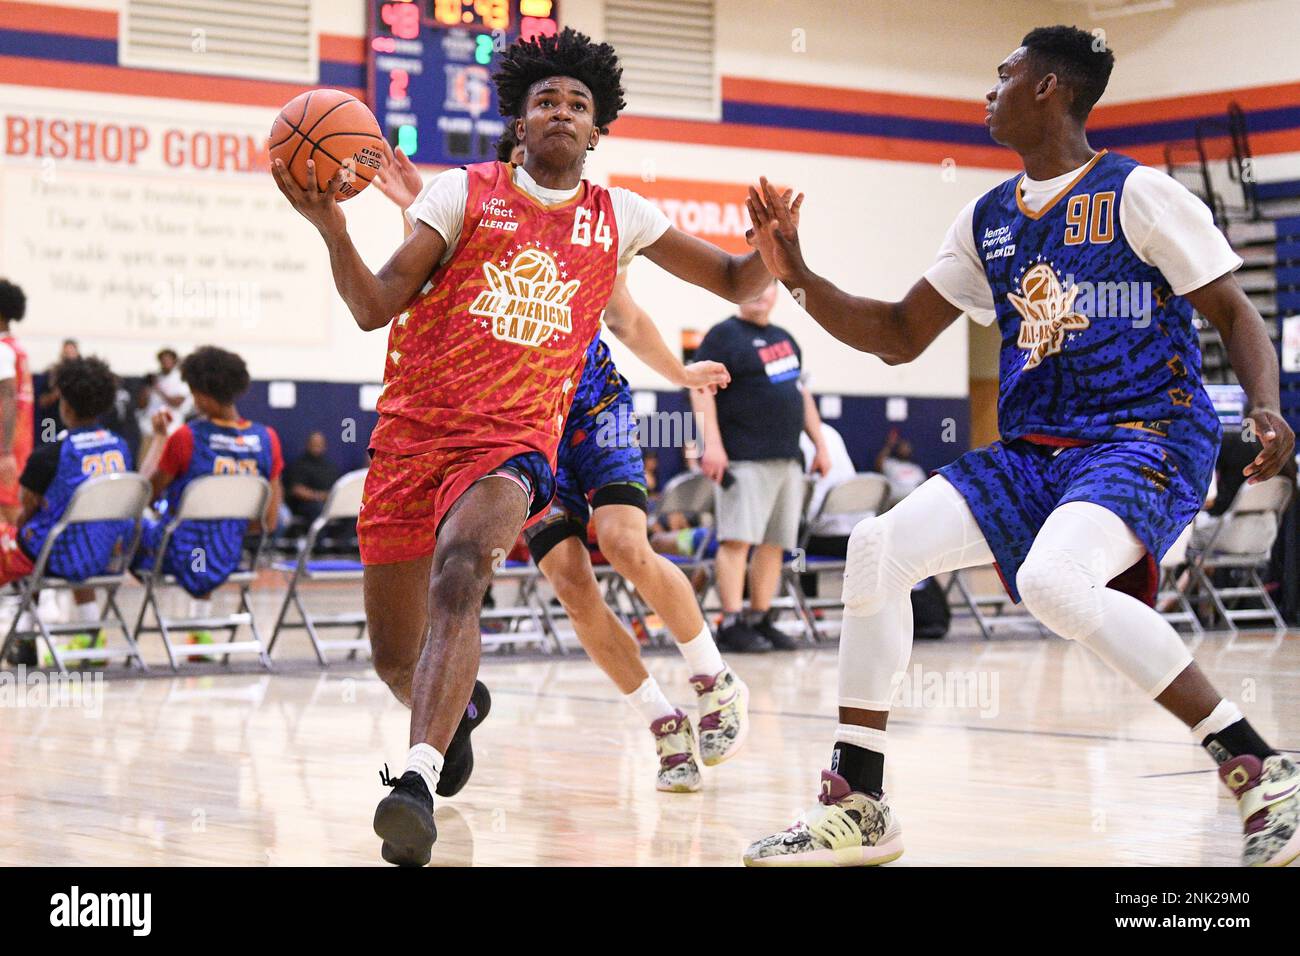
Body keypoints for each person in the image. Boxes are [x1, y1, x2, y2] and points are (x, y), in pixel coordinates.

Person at [742, 25, 1298, 867]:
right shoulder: (988, 218)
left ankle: (1259, 767)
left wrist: (1265, 406)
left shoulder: (1136, 195)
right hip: (1037, 450)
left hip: (1144, 433)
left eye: (1003, 76)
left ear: (1049, 89)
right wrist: (802, 279)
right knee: (875, 549)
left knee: (1051, 582)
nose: (988, 91)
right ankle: (859, 803)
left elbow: (1234, 310)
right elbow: (897, 335)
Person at [273, 28, 775, 866]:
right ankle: (456, 711)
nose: (562, 112)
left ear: (597, 125)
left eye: (578, 103)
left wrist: (775, 256)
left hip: (516, 441)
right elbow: (371, 307)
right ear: (519, 118)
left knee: (468, 567)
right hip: (409, 439)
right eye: (546, 99)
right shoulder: (460, 194)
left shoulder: (620, 216)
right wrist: (330, 223)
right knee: (397, 656)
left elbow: (731, 279)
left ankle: (416, 779)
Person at [690, 280, 832, 652]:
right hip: (743, 457)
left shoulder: (786, 340)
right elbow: (700, 389)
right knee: (737, 539)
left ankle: (760, 617)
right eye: (754, 286)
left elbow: (802, 395)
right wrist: (713, 445)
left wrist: (820, 443)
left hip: (787, 457)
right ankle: (731, 621)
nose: (761, 293)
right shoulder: (723, 336)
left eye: (769, 286)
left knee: (774, 543)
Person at [134, 346, 283, 655]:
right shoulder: (267, 438)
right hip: (230, 552)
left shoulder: (186, 437)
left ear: (199, 394)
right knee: (206, 531)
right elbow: (269, 521)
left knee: (127, 524)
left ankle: (93, 627)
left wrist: (160, 438)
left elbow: (146, 496)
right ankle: (198, 633)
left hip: (180, 551)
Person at [2, 357, 132, 666]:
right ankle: (92, 633)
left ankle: (25, 638)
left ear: (66, 407)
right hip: (111, 553)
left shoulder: (49, 455)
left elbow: (26, 511)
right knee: (78, 535)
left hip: (60, 555)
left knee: (25, 543)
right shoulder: (121, 446)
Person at [0, 279, 34, 526]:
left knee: (9, 516)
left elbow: (8, 398)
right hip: (19, 444)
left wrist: (4, 452)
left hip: (6, 447)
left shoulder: (2, 349)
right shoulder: (16, 347)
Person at [284, 431, 340, 525]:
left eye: (319, 444)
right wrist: (319, 496)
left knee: (351, 509)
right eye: (314, 444)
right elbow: (296, 490)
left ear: (324, 446)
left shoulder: (330, 467)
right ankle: (317, 539)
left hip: (329, 503)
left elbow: (337, 488)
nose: (316, 447)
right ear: (307, 445)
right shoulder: (299, 465)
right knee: (318, 508)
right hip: (305, 505)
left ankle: (345, 538)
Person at [36, 338, 80, 436]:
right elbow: (41, 402)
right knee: (49, 447)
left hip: (73, 423)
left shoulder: (81, 376)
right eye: (66, 353)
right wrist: (57, 393)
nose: (69, 356)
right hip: (51, 421)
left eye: (72, 353)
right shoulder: (50, 374)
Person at [874, 430, 927, 503]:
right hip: (896, 501)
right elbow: (879, 464)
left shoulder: (915, 467)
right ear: (897, 449)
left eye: (907, 448)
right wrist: (889, 445)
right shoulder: (891, 464)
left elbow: (923, 485)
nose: (905, 450)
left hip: (914, 500)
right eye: (902, 448)